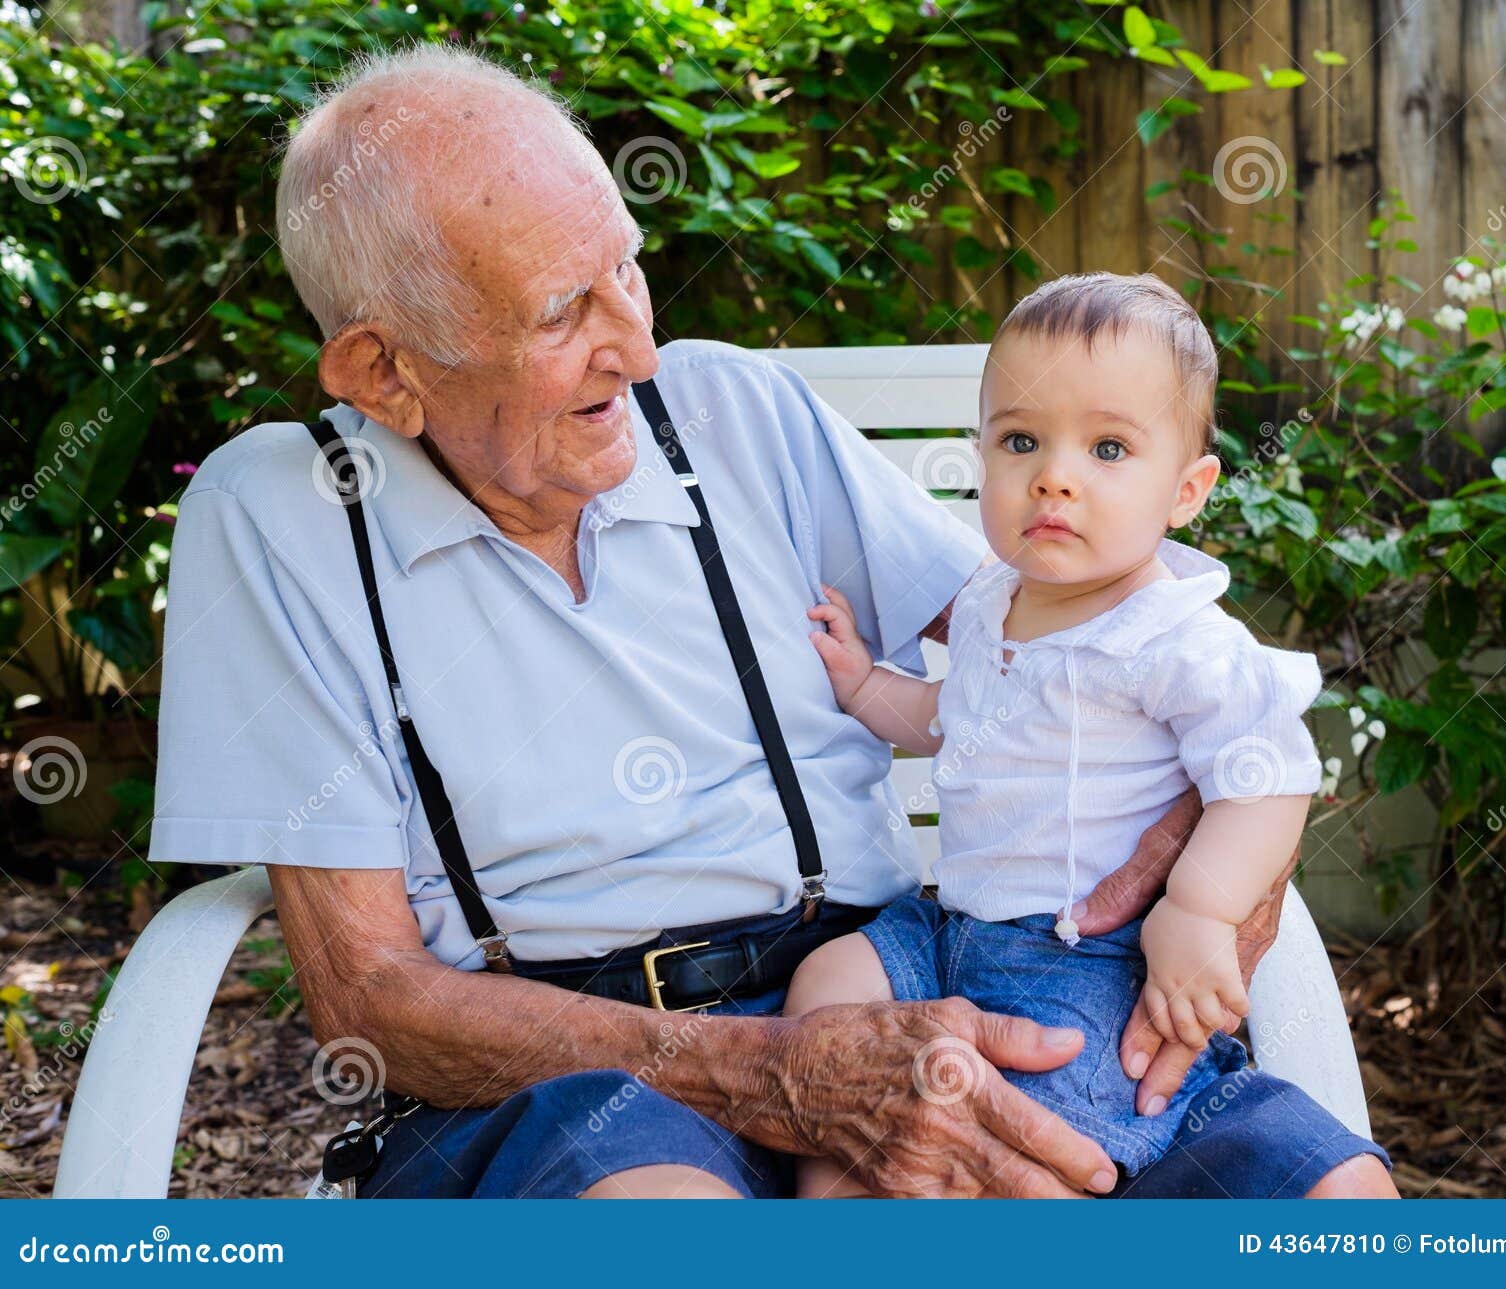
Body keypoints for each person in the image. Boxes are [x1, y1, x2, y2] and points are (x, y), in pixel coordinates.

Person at [149, 45, 1354, 1199]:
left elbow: (1069, 635)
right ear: (383, 371)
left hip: (916, 980)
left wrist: (1220, 823)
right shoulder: (287, 517)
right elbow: (369, 996)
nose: (638, 342)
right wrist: (776, 1076)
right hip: (575, 1078)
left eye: (626, 264)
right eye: (565, 309)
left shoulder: (729, 405)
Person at [787, 273, 1398, 1199]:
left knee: (1046, 1109)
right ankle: (832, 1197)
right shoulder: (995, 603)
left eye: (1108, 447)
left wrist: (1198, 908)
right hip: (949, 929)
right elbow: (955, 720)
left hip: (1083, 957)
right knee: (827, 989)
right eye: (1021, 440)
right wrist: (868, 684)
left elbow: (1269, 774)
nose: (1054, 474)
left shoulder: (1178, 637)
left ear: (1187, 491)